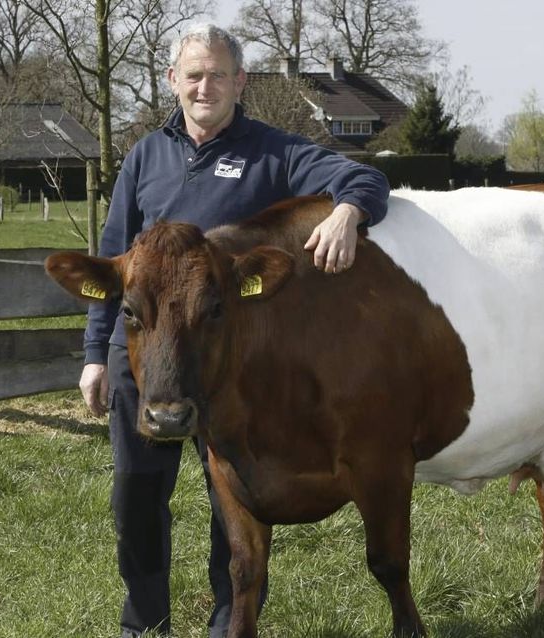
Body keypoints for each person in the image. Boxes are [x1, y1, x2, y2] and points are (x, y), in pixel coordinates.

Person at [79, 23, 390, 638]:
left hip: (223, 361)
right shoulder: (145, 156)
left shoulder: (273, 153)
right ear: (173, 80)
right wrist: (95, 354)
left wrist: (348, 213)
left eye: (218, 75)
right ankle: (144, 625)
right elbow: (113, 260)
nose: (205, 88)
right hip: (141, 356)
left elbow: (365, 178)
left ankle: (230, 624)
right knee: (135, 498)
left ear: (240, 81)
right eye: (194, 75)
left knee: (236, 501)